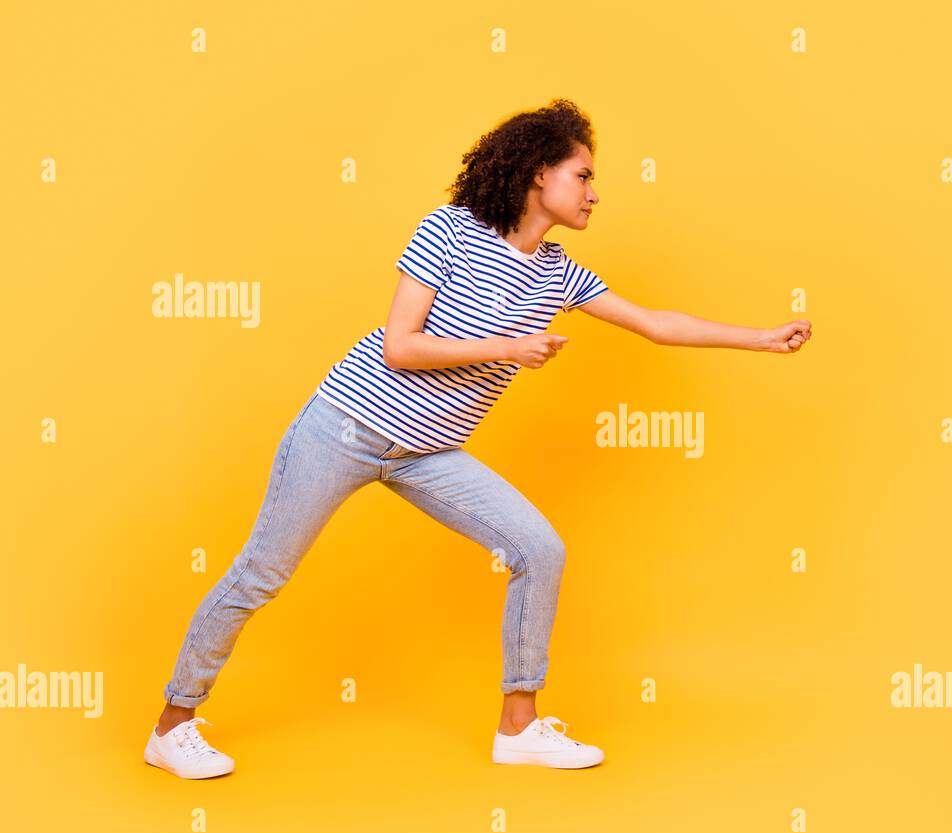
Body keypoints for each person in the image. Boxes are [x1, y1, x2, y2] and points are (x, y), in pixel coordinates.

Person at [145, 98, 813, 779]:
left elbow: (656, 323)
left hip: (428, 453)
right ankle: (174, 725)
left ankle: (519, 727)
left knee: (538, 548)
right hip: (347, 425)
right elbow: (401, 347)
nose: (594, 192)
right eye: (582, 176)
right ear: (536, 175)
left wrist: (761, 338)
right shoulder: (450, 231)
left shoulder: (560, 274)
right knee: (263, 572)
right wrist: (509, 346)